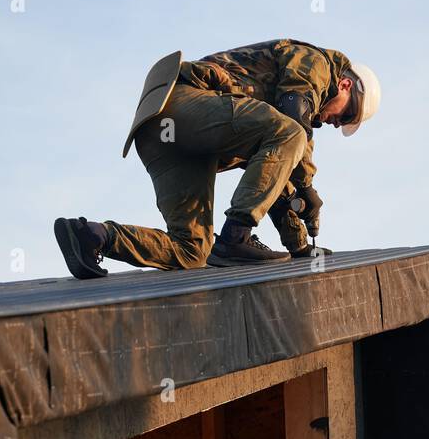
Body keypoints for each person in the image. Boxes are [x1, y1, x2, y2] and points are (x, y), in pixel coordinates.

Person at [54, 39, 380, 277]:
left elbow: (274, 177)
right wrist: (307, 187)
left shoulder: (274, 135)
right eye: (346, 115)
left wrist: (300, 248)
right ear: (345, 84)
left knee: (192, 251)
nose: (336, 124)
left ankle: (93, 235)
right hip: (181, 103)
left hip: (164, 134)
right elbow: (295, 116)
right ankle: (235, 238)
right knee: (291, 135)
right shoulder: (317, 63)